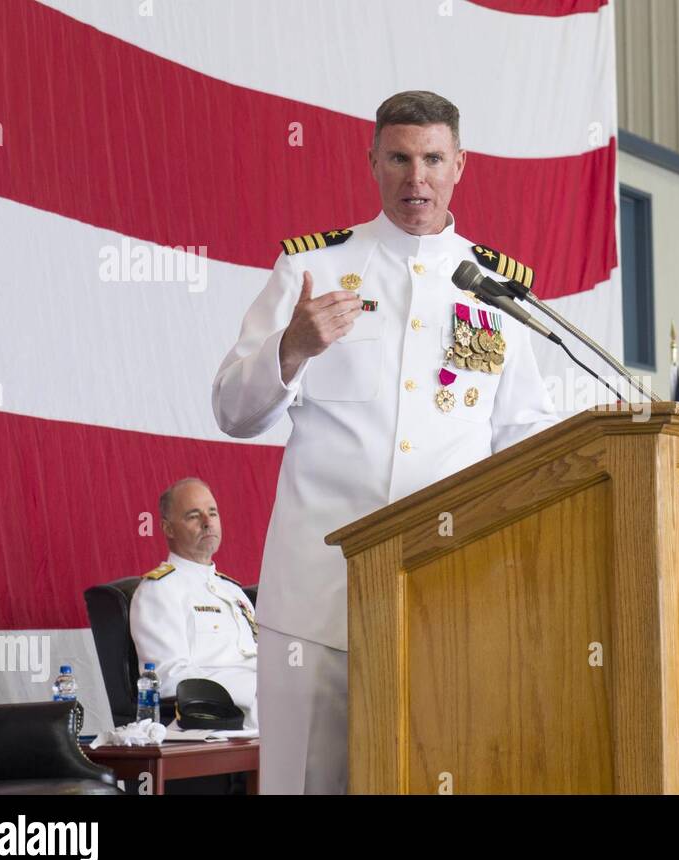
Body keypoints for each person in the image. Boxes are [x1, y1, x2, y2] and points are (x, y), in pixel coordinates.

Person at [212, 90, 559, 793]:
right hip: (319, 599)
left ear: (460, 164)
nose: (416, 177)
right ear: (372, 162)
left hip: (450, 594)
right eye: (399, 158)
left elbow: (526, 438)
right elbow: (233, 410)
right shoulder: (312, 269)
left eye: (433, 158)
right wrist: (293, 346)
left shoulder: (498, 289)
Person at [130, 477, 258, 728]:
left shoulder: (234, 592)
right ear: (167, 528)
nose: (208, 522)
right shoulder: (159, 590)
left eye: (213, 513)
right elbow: (168, 678)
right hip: (216, 715)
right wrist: (253, 687)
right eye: (193, 516)